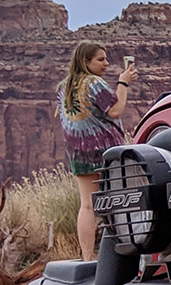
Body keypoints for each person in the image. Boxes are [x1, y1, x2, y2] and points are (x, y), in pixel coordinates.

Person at [58, 40, 137, 261]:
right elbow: (115, 111)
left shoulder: (64, 87)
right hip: (106, 151)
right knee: (121, 199)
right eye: (100, 59)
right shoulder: (95, 83)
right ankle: (124, 252)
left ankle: (87, 256)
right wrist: (123, 83)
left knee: (87, 206)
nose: (106, 63)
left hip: (79, 152)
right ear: (86, 61)